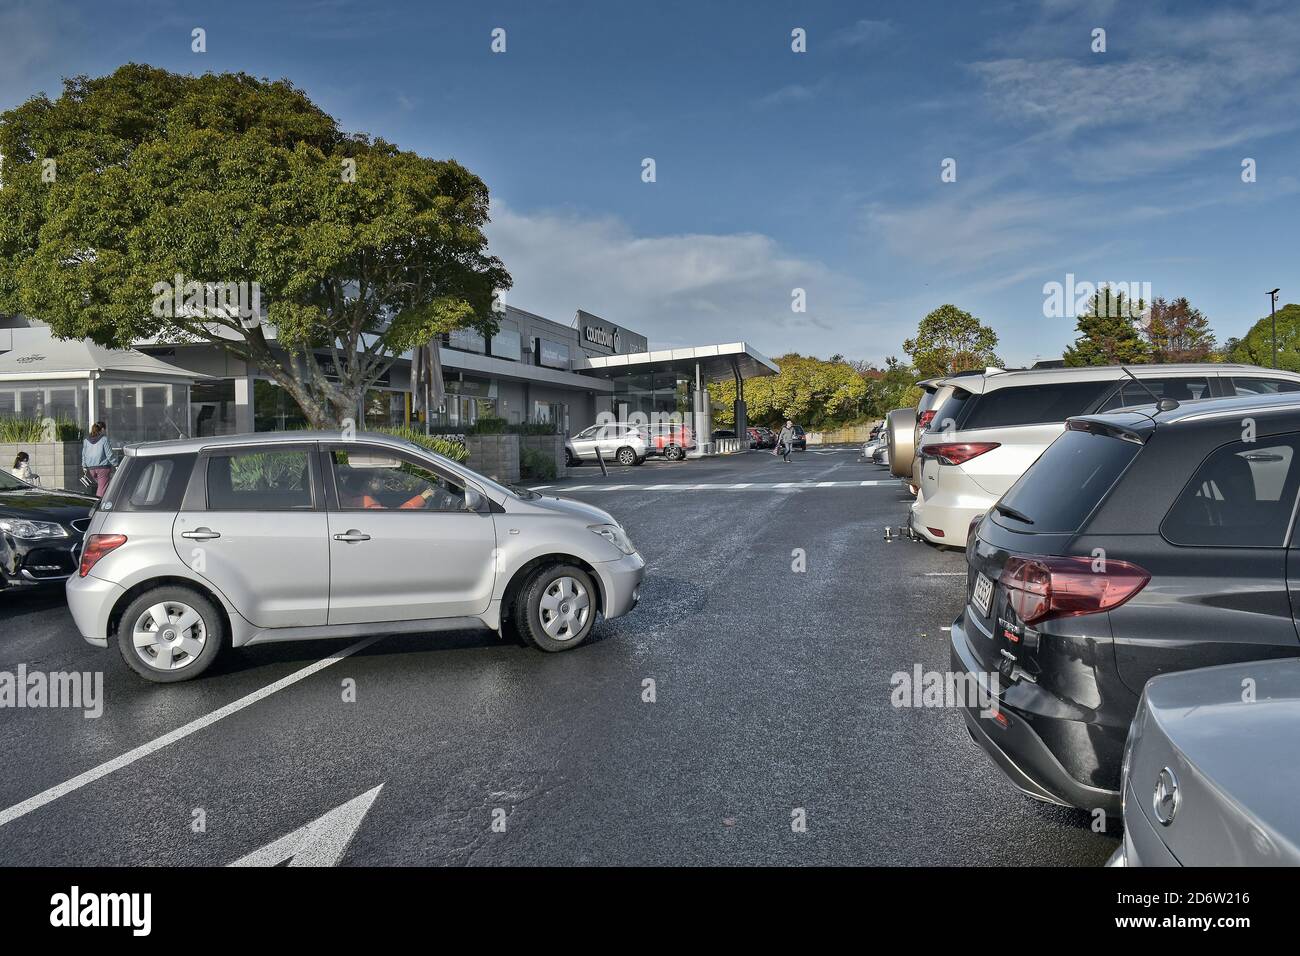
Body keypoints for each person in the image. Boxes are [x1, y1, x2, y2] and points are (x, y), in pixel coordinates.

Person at [82, 422, 115, 496]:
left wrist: (84, 466)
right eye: (105, 429)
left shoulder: (86, 440)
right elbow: (109, 454)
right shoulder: (104, 439)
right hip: (103, 468)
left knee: (102, 487)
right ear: (102, 429)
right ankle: (99, 505)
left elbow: (84, 454)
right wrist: (116, 464)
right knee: (102, 489)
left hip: (91, 469)